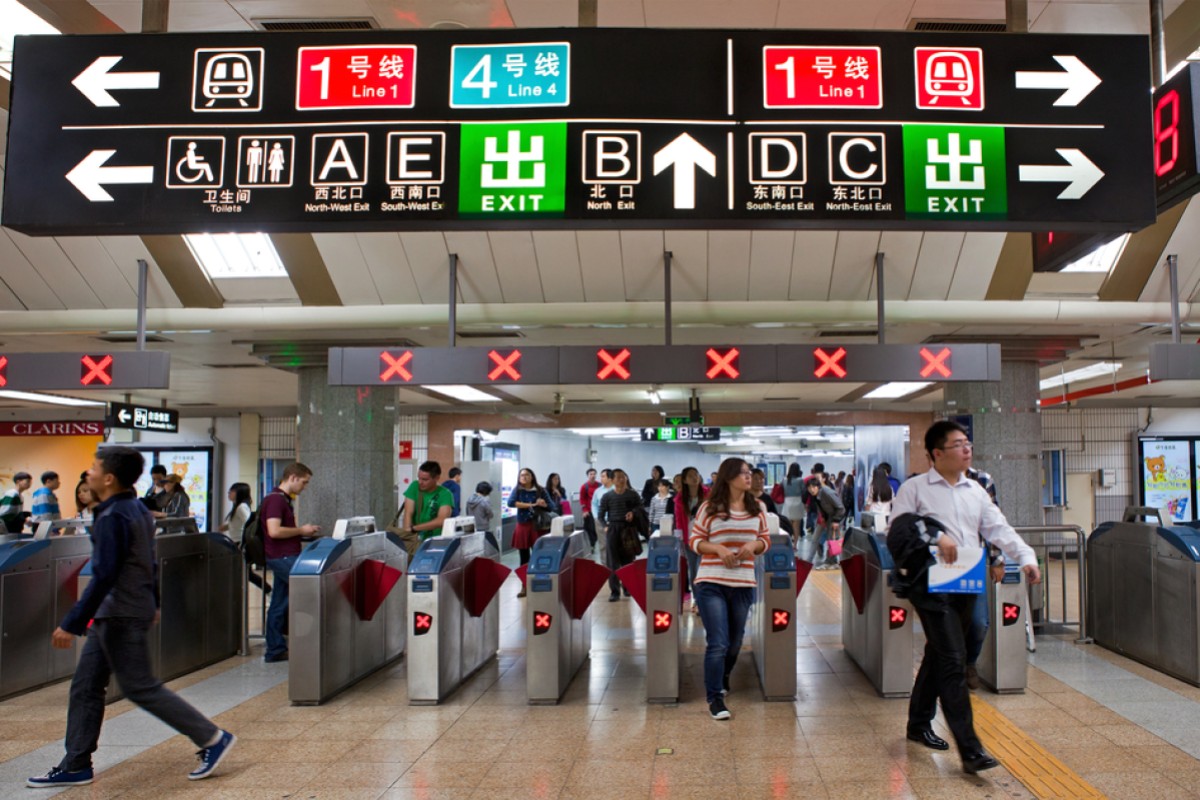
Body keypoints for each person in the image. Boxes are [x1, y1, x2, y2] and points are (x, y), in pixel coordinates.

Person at [26, 447, 235, 788]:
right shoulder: (134, 508)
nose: (88, 473)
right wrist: (152, 601)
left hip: (119, 612)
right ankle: (77, 762)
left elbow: (105, 574)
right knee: (85, 687)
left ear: (108, 478)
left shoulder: (113, 517)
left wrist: (72, 622)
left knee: (140, 686)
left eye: (93, 468)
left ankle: (212, 737)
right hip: (120, 610)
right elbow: (148, 560)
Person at [890, 420, 1040, 775]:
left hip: (966, 583)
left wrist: (1027, 557)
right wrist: (934, 537)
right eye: (958, 444)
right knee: (953, 661)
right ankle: (971, 751)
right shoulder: (915, 488)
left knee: (940, 653)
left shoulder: (975, 490)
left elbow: (998, 529)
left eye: (967, 442)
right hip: (930, 586)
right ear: (936, 454)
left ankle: (917, 723)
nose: (966, 448)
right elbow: (897, 531)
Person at [690, 458, 771, 721]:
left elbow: (765, 540)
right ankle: (715, 698)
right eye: (743, 473)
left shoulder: (757, 507)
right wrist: (718, 548)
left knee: (735, 642)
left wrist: (754, 546)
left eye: (750, 473)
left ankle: (723, 674)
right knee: (718, 642)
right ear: (728, 477)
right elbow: (695, 541)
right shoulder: (710, 507)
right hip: (711, 581)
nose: (749, 477)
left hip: (743, 583)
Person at [261, 462, 320, 663]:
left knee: (279, 603)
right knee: (310, 591)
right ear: (293, 477)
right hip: (283, 557)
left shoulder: (281, 499)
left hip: (282, 556)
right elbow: (274, 531)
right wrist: (301, 531)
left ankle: (275, 649)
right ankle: (306, 642)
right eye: (304, 482)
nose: (304, 487)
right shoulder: (276, 501)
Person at [964, 465, 1002, 691]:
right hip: (941, 563)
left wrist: (996, 559)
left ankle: (969, 662)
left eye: (965, 445)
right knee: (945, 624)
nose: (964, 451)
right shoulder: (929, 483)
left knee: (979, 622)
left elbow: (992, 521)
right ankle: (951, 667)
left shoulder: (982, 480)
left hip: (973, 561)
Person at [598, 468, 643, 602]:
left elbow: (641, 507)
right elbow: (600, 515)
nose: (622, 480)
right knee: (612, 562)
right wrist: (605, 526)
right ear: (612, 480)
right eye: (618, 477)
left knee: (628, 561)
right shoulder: (607, 496)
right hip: (613, 529)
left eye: (623, 477)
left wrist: (633, 513)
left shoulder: (633, 495)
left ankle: (628, 588)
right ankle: (614, 591)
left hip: (628, 530)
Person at [508, 467, 550, 598]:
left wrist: (543, 504)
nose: (524, 477)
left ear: (532, 476)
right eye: (521, 475)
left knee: (539, 557)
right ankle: (524, 586)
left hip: (538, 526)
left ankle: (541, 584)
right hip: (523, 526)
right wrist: (531, 504)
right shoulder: (517, 490)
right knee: (524, 558)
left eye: (527, 475)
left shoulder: (540, 490)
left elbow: (552, 506)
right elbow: (510, 503)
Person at [673, 466, 708, 611]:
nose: (695, 477)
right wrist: (679, 540)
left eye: (697, 474)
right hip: (689, 540)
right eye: (691, 475)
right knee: (693, 571)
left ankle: (705, 600)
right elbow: (679, 521)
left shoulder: (708, 494)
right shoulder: (680, 499)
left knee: (703, 569)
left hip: (706, 539)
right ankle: (698, 601)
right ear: (685, 480)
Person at [402, 461, 454, 541]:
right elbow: (408, 512)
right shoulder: (414, 486)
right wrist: (407, 533)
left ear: (437, 478)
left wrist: (415, 528)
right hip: (414, 539)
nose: (420, 482)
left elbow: (442, 520)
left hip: (435, 540)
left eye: (425, 479)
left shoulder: (445, 494)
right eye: (419, 478)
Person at [807, 476, 845, 568]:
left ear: (818, 486)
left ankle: (831, 561)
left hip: (837, 516)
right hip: (830, 517)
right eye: (809, 488)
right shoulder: (815, 495)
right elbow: (821, 507)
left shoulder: (826, 492)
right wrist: (824, 517)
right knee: (830, 539)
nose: (811, 490)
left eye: (813, 487)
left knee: (832, 539)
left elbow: (841, 507)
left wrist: (836, 520)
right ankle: (832, 561)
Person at [751, 469, 793, 537]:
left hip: (765, 532)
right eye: (755, 478)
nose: (759, 481)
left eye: (761, 478)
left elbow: (774, 515)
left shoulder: (767, 498)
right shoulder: (744, 497)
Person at [591, 468, 614, 562]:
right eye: (601, 476)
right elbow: (594, 504)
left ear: (610, 478)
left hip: (614, 521)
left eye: (603, 476)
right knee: (603, 545)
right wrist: (596, 517)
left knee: (614, 544)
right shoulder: (598, 491)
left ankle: (616, 568)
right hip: (600, 521)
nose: (601, 478)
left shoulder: (616, 490)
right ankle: (606, 568)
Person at [781, 463, 806, 540]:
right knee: (796, 526)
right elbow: (804, 491)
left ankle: (789, 542)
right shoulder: (800, 480)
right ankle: (795, 544)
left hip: (787, 502)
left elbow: (782, 490)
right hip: (797, 502)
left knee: (788, 525)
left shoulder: (784, 480)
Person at [579, 468, 601, 548]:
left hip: (599, 511)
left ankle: (594, 542)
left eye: (594, 474)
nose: (593, 476)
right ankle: (591, 545)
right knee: (590, 528)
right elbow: (582, 499)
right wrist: (584, 510)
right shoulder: (584, 487)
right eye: (591, 474)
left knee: (597, 528)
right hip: (589, 511)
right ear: (588, 476)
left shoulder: (600, 486)